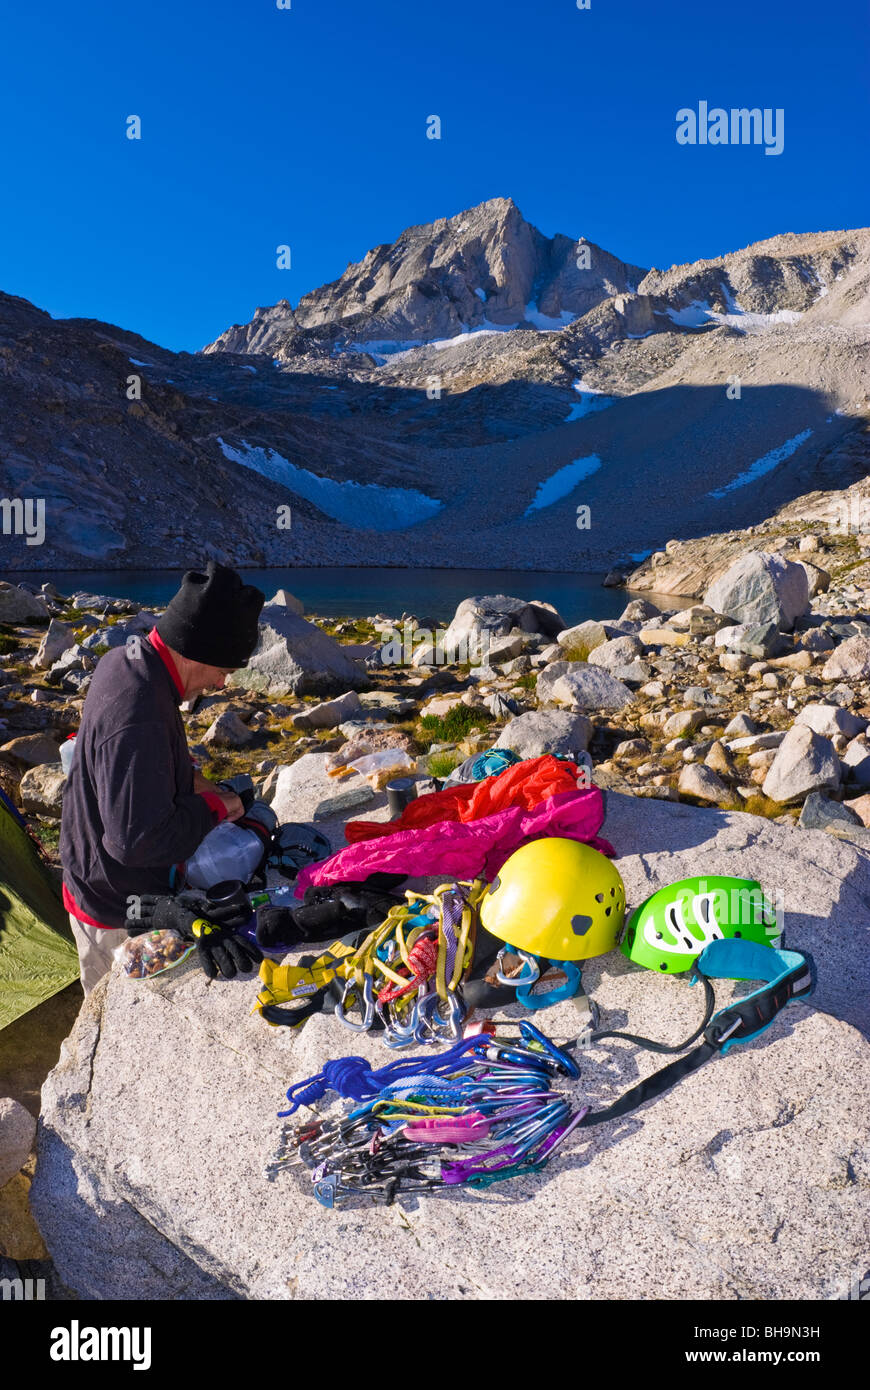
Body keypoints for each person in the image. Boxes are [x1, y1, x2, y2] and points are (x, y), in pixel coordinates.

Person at [60, 562, 266, 994]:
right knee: (114, 1030)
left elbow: (125, 763)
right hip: (114, 907)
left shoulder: (129, 660)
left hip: (93, 876)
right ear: (195, 650)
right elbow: (135, 841)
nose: (222, 682)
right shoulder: (140, 711)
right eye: (223, 670)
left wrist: (187, 775)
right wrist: (216, 807)